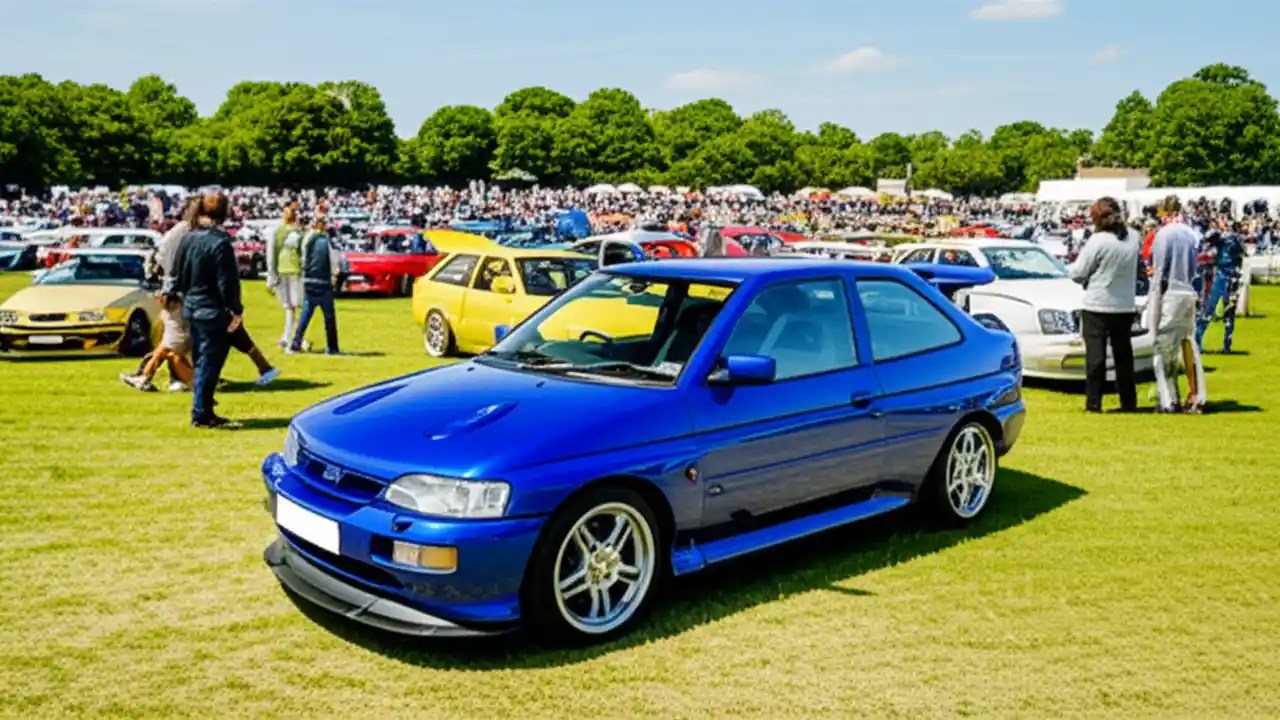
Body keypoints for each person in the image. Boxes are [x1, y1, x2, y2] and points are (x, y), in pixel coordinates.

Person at [170, 193, 242, 429]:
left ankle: (204, 406)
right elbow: (227, 281)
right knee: (210, 363)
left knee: (202, 359)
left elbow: (178, 273)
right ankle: (201, 412)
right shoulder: (220, 242)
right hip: (212, 310)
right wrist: (235, 309)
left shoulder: (188, 238)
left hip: (192, 306)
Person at [1068, 197, 1139, 413]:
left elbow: (1078, 273)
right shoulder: (1134, 237)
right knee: (1124, 358)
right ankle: (1128, 401)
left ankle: (1093, 403)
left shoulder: (1097, 241)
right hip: (1125, 305)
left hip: (1097, 305)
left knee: (1096, 358)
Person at [121, 196, 198, 393]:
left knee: (174, 341)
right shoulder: (183, 233)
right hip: (178, 294)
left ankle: (155, 376)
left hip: (178, 293)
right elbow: (166, 262)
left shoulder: (182, 233)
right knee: (173, 341)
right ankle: (149, 376)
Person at [1148, 195, 1206, 414]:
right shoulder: (1192, 234)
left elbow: (1159, 271)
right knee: (1190, 346)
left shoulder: (1163, 235)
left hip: (1170, 293)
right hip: (1189, 292)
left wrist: (1155, 299)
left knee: (1163, 349)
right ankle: (1196, 396)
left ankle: (1168, 399)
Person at [289, 216, 341, 354]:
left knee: (305, 315)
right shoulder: (325, 241)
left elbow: (302, 258)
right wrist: (334, 276)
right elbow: (333, 261)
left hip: (308, 281)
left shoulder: (306, 239)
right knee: (329, 317)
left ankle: (295, 343)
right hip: (323, 282)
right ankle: (332, 347)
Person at [1195, 223, 1245, 353]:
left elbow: (1208, 257)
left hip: (1222, 278)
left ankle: (1198, 342)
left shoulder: (1223, 244)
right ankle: (1227, 346)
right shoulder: (1233, 241)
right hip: (1234, 278)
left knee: (1208, 310)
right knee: (1229, 312)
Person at [266, 204, 303, 348]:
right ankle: (292, 337)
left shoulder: (277, 232)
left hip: (281, 271)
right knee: (293, 307)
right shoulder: (298, 233)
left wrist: (271, 275)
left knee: (289, 307)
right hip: (295, 271)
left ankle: (289, 337)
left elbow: (271, 254)